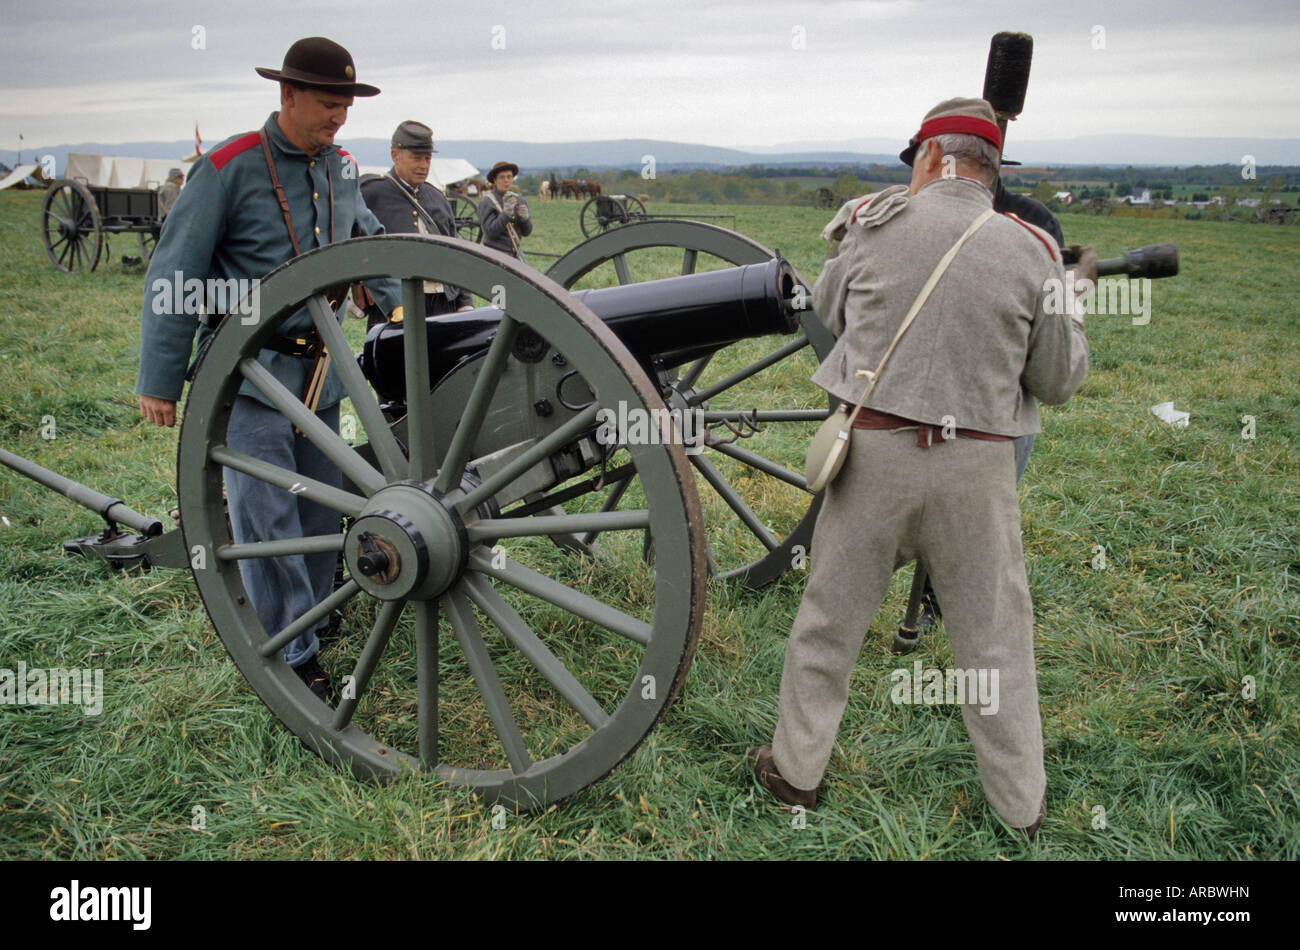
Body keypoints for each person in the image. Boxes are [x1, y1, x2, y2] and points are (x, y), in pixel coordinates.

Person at [750, 98, 1093, 837]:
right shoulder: (1032, 249)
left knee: (827, 628)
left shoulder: (873, 226)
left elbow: (834, 313)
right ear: (991, 167)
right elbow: (1059, 382)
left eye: (914, 162)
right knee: (997, 643)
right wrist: (1072, 300)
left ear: (933, 158)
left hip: (874, 456)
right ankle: (1020, 808)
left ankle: (795, 775)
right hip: (978, 470)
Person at [135, 36, 397, 702]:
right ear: (285, 95)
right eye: (325, 104)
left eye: (344, 106)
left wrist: (398, 309)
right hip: (249, 376)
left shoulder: (340, 166)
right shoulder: (227, 167)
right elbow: (175, 273)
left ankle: (315, 612)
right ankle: (291, 652)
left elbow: (365, 240)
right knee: (266, 519)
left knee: (319, 512)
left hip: (323, 375)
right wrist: (160, 381)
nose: (337, 118)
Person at [360, 120, 473, 325]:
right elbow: (349, 243)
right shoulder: (371, 192)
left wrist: (464, 302)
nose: (424, 166)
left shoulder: (437, 197)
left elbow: (456, 254)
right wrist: (357, 288)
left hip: (442, 302)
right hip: (397, 303)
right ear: (395, 156)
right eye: (416, 158)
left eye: (428, 159)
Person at [478, 161, 532, 261]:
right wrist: (506, 214)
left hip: (515, 254)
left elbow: (527, 232)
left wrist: (525, 219)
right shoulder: (487, 201)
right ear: (495, 180)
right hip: (494, 255)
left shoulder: (520, 200)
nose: (506, 180)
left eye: (509, 177)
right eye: (502, 177)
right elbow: (491, 232)